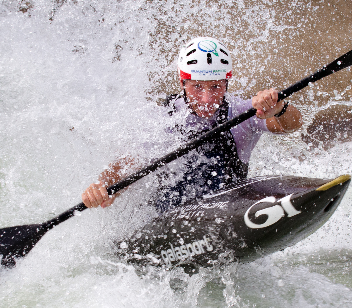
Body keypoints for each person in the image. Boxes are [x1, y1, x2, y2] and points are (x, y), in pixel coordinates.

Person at [81, 37, 302, 211]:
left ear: (226, 82)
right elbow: (127, 164)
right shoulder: (163, 119)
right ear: (182, 82)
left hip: (227, 212)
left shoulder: (243, 113)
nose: (206, 99)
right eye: (197, 87)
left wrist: (279, 108)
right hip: (167, 219)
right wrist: (102, 187)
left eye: (215, 87)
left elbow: (291, 125)